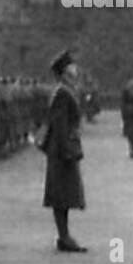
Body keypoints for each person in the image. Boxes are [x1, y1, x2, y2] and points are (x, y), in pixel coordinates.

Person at [43, 50, 86, 253]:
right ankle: (64, 236)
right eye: (72, 65)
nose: (76, 68)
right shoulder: (62, 93)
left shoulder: (65, 90)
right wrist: (67, 150)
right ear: (65, 70)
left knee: (65, 194)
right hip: (62, 151)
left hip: (63, 148)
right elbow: (59, 125)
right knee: (61, 194)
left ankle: (64, 235)